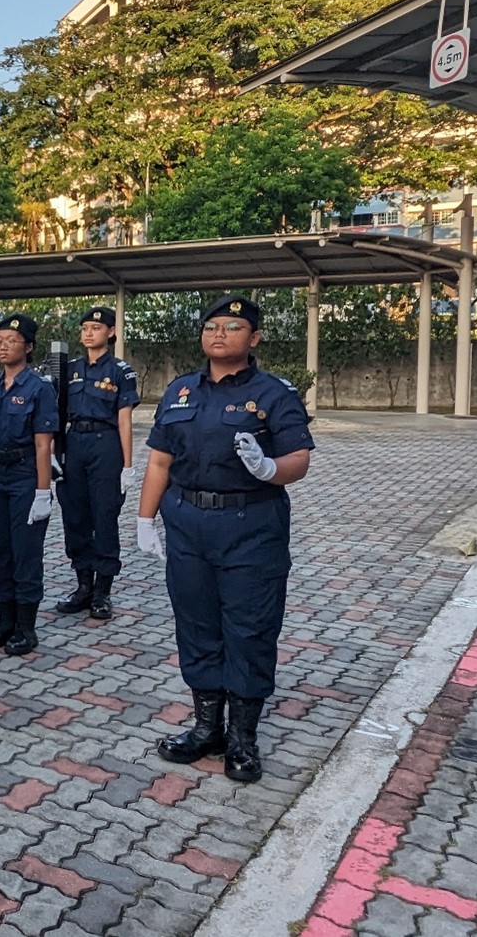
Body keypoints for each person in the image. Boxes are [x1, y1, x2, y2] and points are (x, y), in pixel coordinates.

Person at [138, 295, 313, 783]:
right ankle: (206, 728)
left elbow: (299, 458)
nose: (219, 334)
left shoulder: (274, 393)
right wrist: (143, 519)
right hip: (188, 524)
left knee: (250, 629)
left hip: (250, 526)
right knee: (197, 625)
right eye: (212, 326)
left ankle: (242, 739)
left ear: (253, 338)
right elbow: (159, 461)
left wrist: (268, 467)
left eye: (232, 327)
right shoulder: (179, 392)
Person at [0, 315, 58, 656]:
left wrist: (42, 491)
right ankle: (4, 618)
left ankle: (26, 626)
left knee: (25, 551)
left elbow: (43, 444)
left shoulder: (39, 388)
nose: (4, 345)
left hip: (24, 473)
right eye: (0, 339)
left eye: (12, 339)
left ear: (29, 347)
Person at [55, 306, 139, 620]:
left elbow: (125, 420)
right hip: (74, 443)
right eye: (86, 327)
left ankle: (102, 591)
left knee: (104, 517)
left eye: (96, 327)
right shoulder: (70, 369)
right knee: (75, 517)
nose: (89, 333)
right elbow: (57, 414)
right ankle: (82, 586)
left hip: (106, 446)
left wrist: (127, 465)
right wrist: (54, 451)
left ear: (111, 332)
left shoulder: (121, 370)